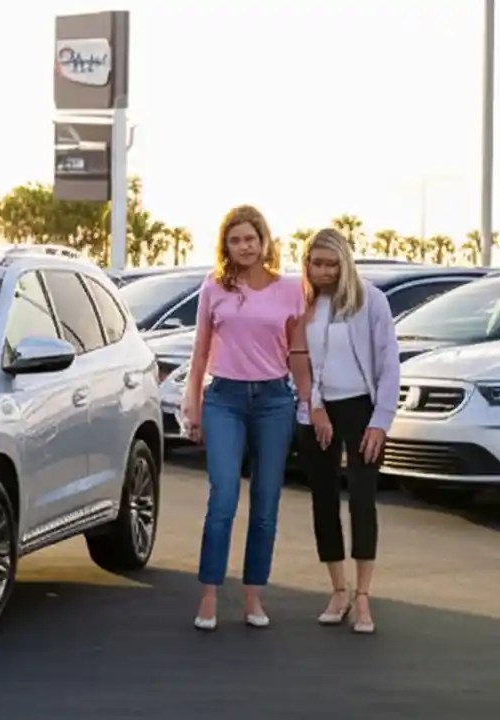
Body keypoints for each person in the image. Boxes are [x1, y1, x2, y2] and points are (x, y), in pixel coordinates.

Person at [181, 205, 311, 631]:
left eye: (250, 239)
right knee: (222, 499)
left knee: (266, 504)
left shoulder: (290, 289)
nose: (244, 247)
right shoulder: (214, 287)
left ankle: (253, 597)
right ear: (226, 245)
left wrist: (311, 403)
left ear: (263, 241)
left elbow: (297, 352)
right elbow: (200, 351)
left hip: (275, 401)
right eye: (235, 240)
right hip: (224, 400)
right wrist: (192, 404)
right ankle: (209, 596)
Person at [296, 228, 399, 635]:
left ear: (345, 263)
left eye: (330, 264)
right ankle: (338, 590)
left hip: (361, 408)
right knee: (323, 500)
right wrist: (314, 406)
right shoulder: (302, 303)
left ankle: (363, 597)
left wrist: (381, 421)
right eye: (315, 263)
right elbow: (297, 363)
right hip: (316, 411)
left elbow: (389, 364)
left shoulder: (371, 301)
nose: (322, 272)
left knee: (361, 499)